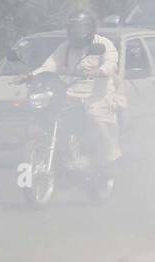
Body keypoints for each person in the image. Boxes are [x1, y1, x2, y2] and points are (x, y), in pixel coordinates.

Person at [32, 11, 123, 167]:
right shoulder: (66, 47)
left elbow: (110, 64)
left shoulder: (103, 44)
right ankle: (65, 151)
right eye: (73, 28)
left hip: (98, 93)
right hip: (72, 91)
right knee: (52, 113)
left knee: (94, 115)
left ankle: (111, 151)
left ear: (89, 29)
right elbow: (51, 64)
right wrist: (31, 75)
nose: (76, 32)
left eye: (80, 28)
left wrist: (99, 71)